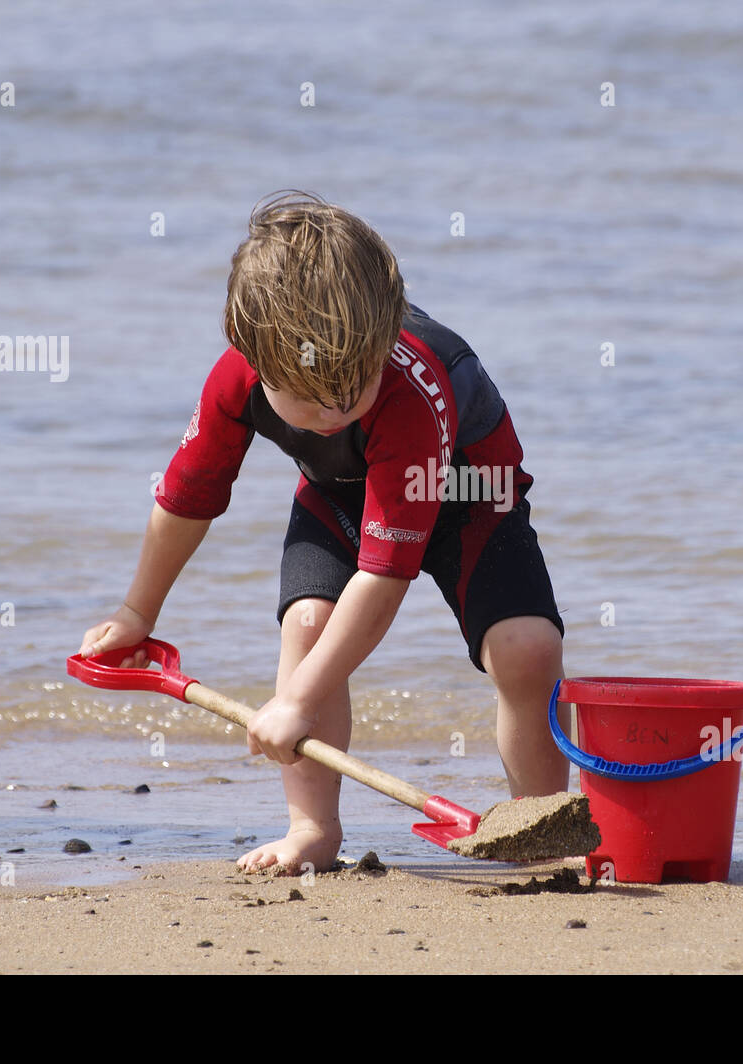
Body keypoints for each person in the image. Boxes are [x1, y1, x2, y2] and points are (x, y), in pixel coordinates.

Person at [79, 190, 567, 874]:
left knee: (526, 648)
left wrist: (295, 701)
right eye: (308, 399)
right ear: (252, 355)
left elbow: (384, 577)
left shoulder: (407, 396)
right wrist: (138, 612)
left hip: (467, 493)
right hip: (345, 492)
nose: (334, 410)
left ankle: (544, 826)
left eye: (352, 389)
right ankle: (312, 828)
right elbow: (188, 499)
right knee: (306, 625)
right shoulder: (236, 380)